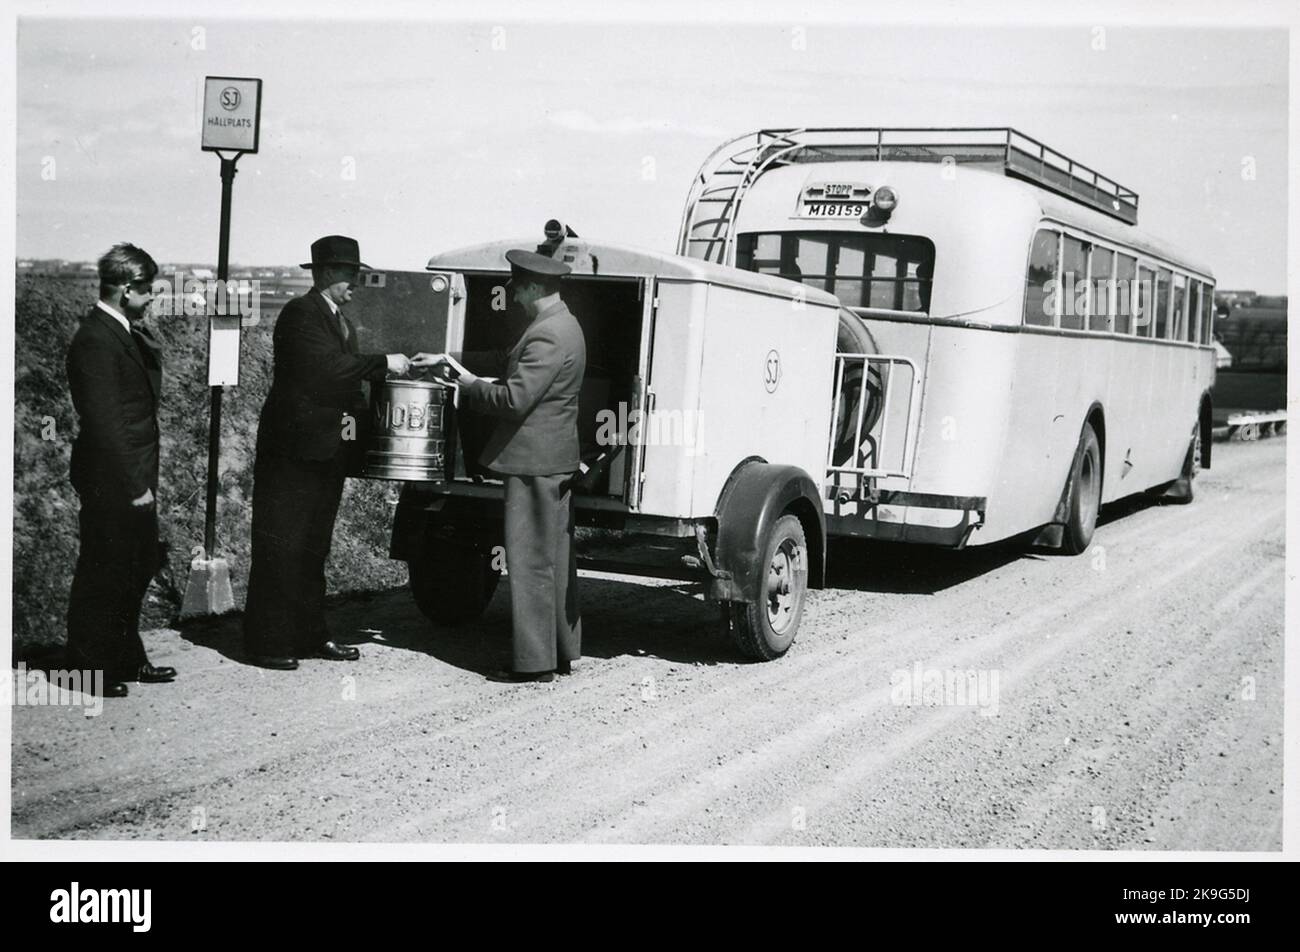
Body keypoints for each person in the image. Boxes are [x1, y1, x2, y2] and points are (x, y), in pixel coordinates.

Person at [413, 249, 587, 683]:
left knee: (530, 564)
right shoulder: (560, 325)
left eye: (515, 286)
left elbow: (513, 399)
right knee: (555, 562)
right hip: (552, 459)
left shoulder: (547, 334)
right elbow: (510, 364)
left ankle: (533, 664)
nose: (511, 294)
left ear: (532, 287)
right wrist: (454, 362)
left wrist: (468, 386)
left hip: (533, 464)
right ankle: (561, 653)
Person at [243, 235, 411, 670]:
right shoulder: (301, 314)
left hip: (323, 452)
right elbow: (327, 371)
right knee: (281, 547)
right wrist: (383, 364)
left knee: (312, 549)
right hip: (293, 454)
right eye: (350, 274)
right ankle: (268, 643)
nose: (356, 282)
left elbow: (344, 382)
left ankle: (309, 635)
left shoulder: (337, 319)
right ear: (328, 274)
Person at [65, 243, 176, 697]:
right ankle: (89, 669)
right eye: (147, 290)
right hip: (115, 479)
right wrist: (135, 486)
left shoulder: (121, 333)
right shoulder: (95, 339)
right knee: (104, 571)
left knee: (134, 567)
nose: (152, 298)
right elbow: (105, 423)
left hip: (133, 476)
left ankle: (127, 658)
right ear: (127, 289)